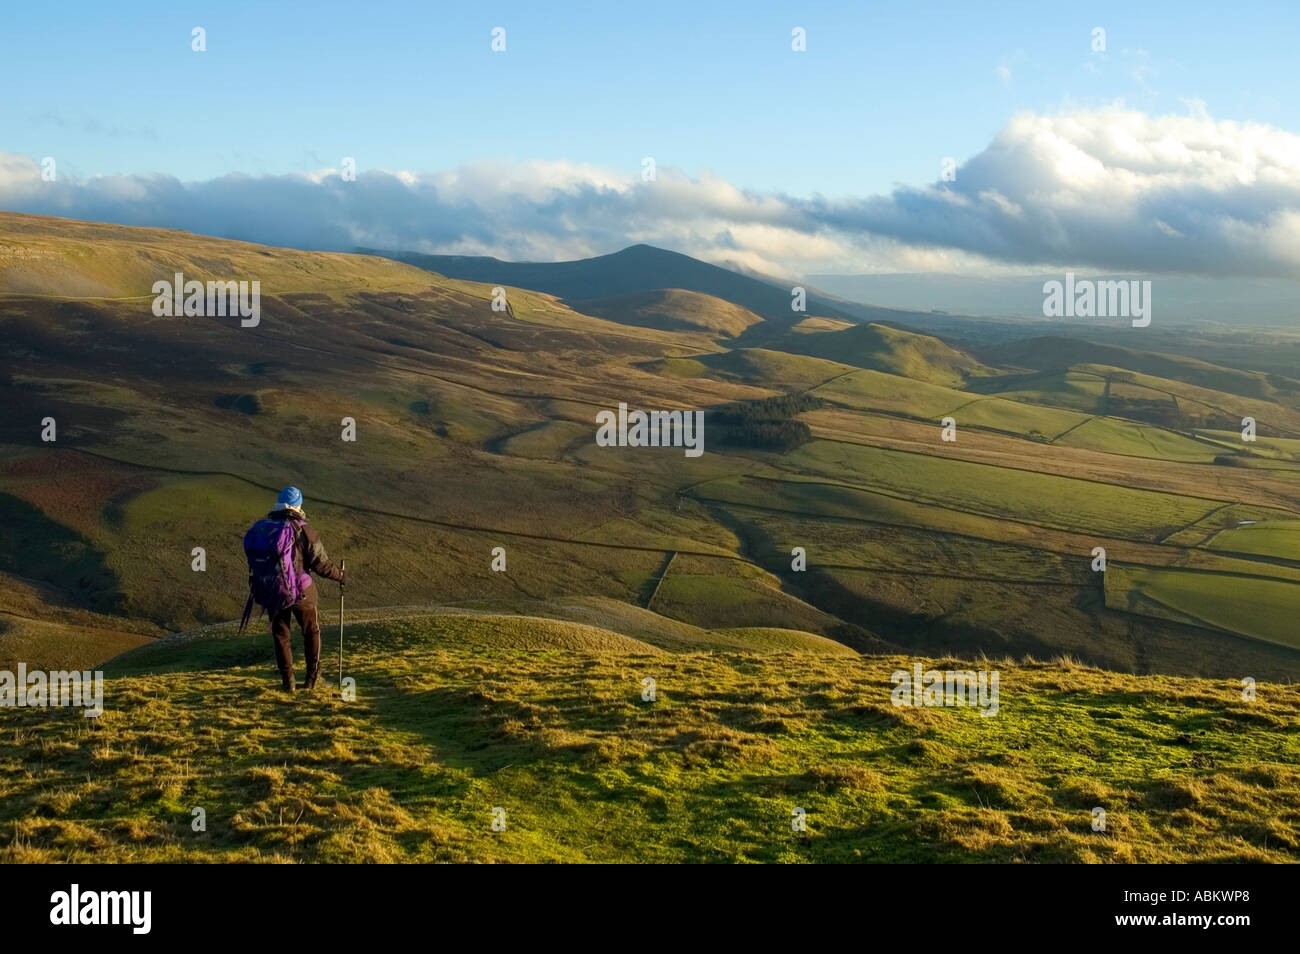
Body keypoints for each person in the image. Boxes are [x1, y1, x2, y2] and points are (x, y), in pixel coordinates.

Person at [243, 486, 347, 692]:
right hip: (302, 592)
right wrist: (341, 576)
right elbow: (321, 564)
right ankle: (312, 679)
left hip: (273, 591)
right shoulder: (303, 529)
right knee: (311, 632)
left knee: (281, 635)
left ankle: (288, 682)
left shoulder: (264, 527)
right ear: (298, 506)